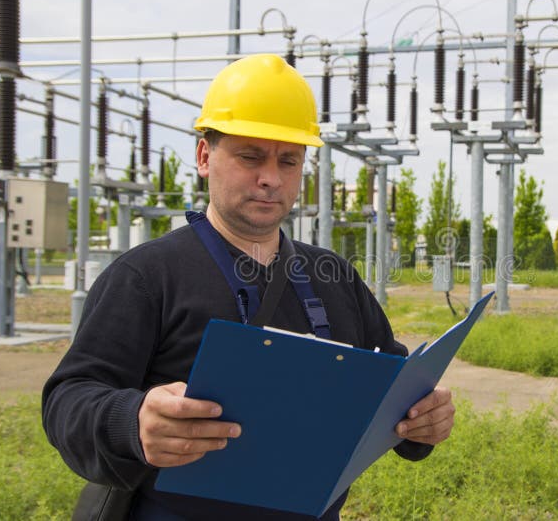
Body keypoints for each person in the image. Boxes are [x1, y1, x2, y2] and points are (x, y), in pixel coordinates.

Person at [42, 53, 455, 520]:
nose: (270, 178)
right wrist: (132, 421)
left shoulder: (334, 277)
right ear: (204, 156)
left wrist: (423, 421)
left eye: (289, 161)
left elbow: (392, 390)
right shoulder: (146, 277)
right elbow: (68, 399)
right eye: (250, 156)